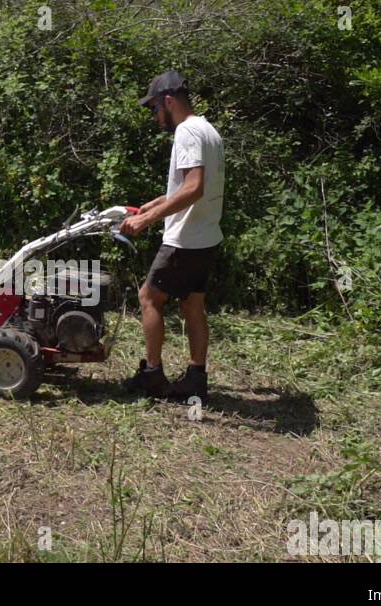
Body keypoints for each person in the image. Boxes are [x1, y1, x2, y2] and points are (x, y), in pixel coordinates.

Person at [120, 70, 225, 400]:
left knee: (148, 298)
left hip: (185, 239)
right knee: (192, 305)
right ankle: (196, 376)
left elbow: (193, 189)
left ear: (168, 101)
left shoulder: (187, 133)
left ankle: (152, 374)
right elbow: (192, 188)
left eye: (154, 109)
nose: (154, 117)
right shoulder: (208, 130)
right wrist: (156, 202)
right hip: (206, 235)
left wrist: (147, 220)